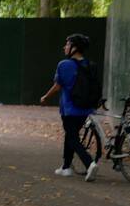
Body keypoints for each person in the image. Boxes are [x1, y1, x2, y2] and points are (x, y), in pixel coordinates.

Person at [39, 33, 99, 180]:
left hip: (70, 109)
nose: (64, 47)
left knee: (73, 138)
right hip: (85, 109)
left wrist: (45, 96)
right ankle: (66, 167)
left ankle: (90, 163)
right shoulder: (90, 65)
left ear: (74, 47)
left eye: (67, 44)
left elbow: (58, 86)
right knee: (71, 135)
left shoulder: (64, 65)